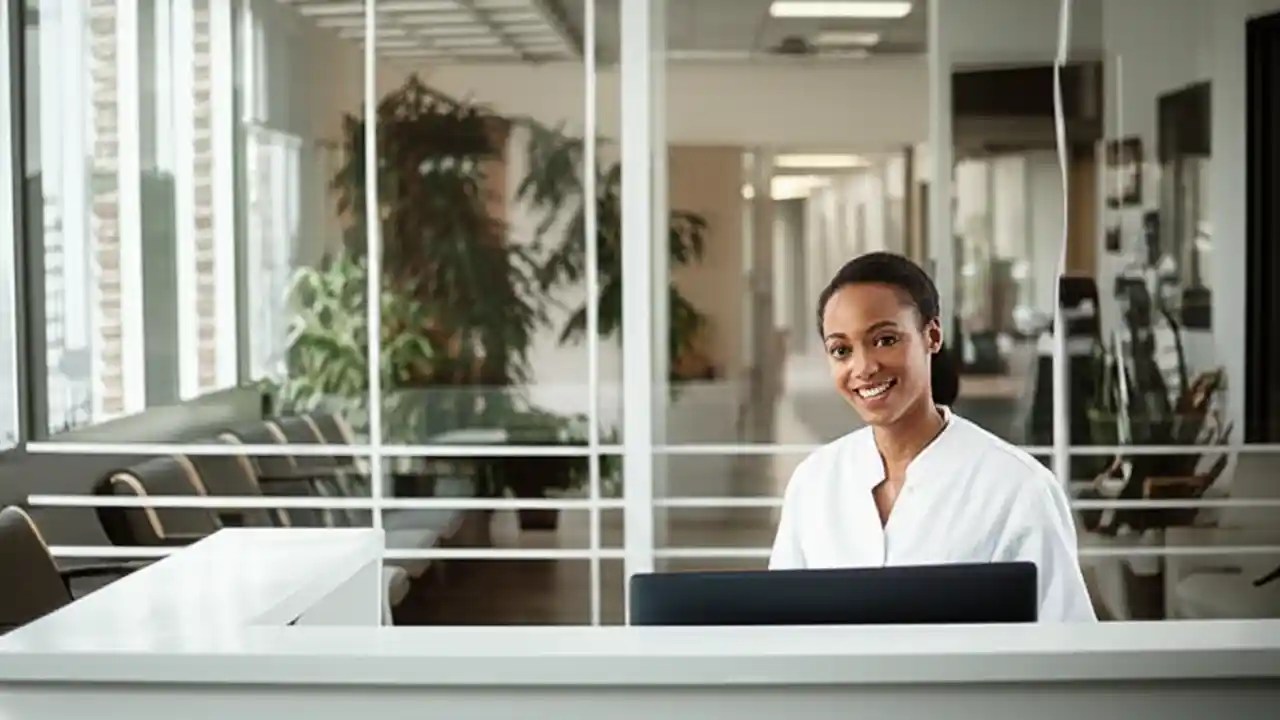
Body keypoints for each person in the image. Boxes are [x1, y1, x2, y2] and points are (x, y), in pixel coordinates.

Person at [769, 252, 1096, 622]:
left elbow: (1066, 643)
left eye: (884, 340)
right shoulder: (814, 483)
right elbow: (784, 629)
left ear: (932, 336)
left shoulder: (1018, 488)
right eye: (841, 350)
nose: (863, 368)